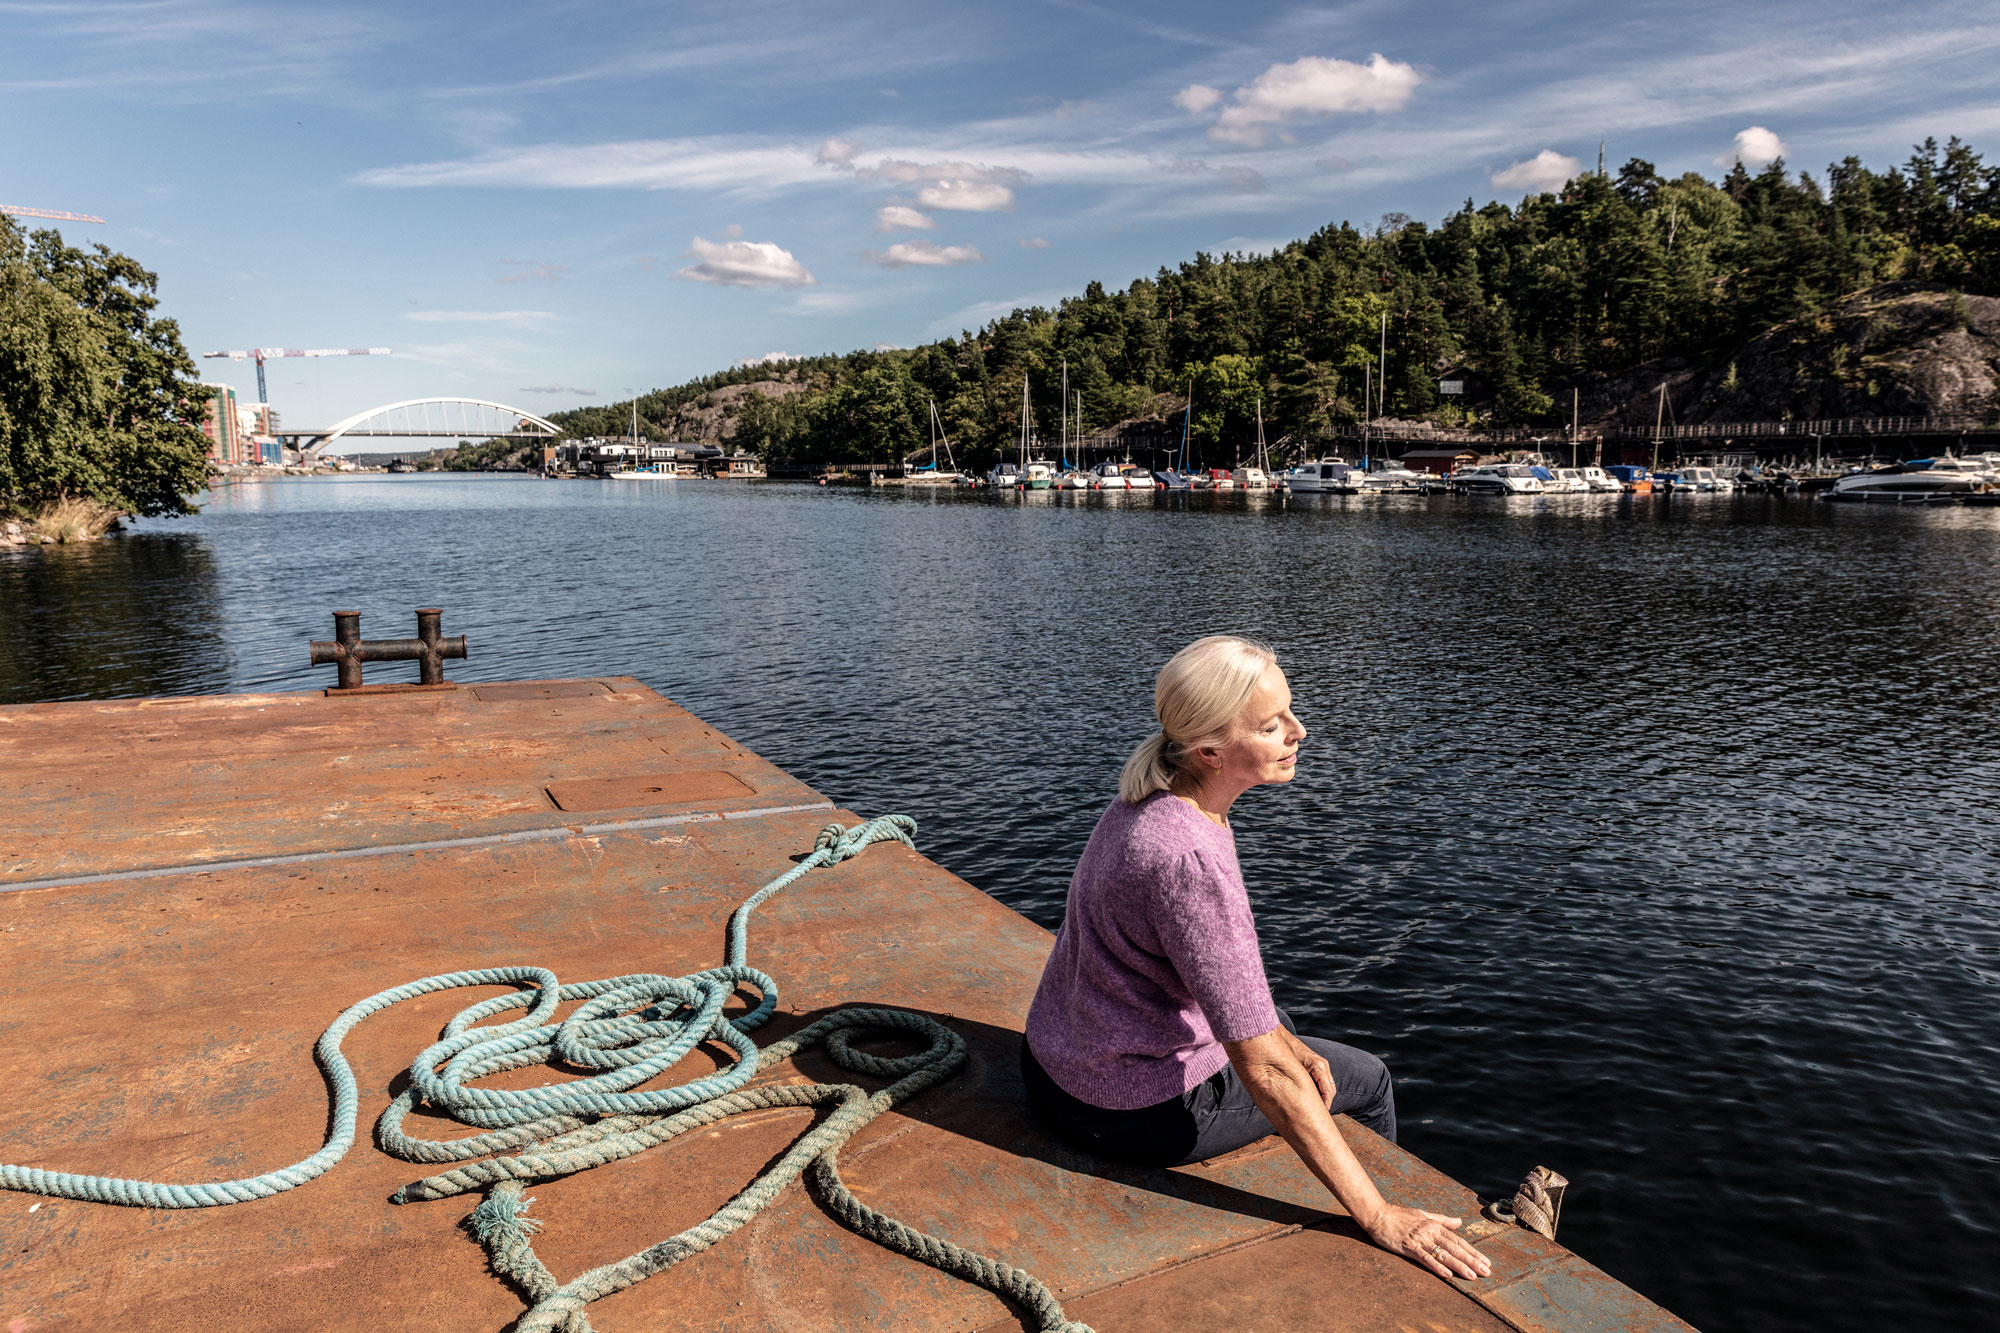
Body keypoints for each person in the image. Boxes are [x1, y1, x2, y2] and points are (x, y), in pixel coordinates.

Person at [1021, 635, 1491, 1282]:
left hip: (1057, 1061)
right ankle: (1388, 1211)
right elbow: (1263, 1069)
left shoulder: (1148, 799)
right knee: (1367, 1080)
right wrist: (1379, 1216)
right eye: (1271, 725)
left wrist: (1284, 1041)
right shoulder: (1190, 859)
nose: (1299, 731)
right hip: (1121, 1109)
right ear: (1211, 751)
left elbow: (1243, 1010)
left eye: (1288, 712)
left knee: (1287, 1030)